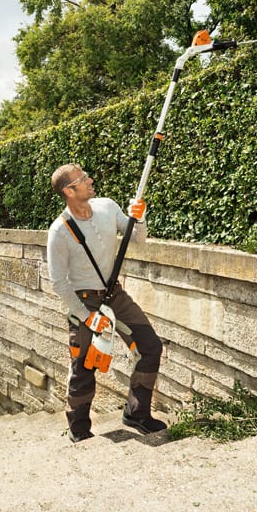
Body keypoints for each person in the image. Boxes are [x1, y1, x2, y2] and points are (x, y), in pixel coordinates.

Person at [46, 163, 166, 442]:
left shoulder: (108, 207)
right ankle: (79, 431)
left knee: (150, 347)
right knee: (84, 366)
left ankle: (137, 413)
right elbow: (59, 283)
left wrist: (140, 216)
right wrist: (85, 316)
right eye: (82, 179)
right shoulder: (59, 231)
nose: (90, 180)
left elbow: (137, 240)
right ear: (69, 190)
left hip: (115, 296)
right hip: (84, 302)